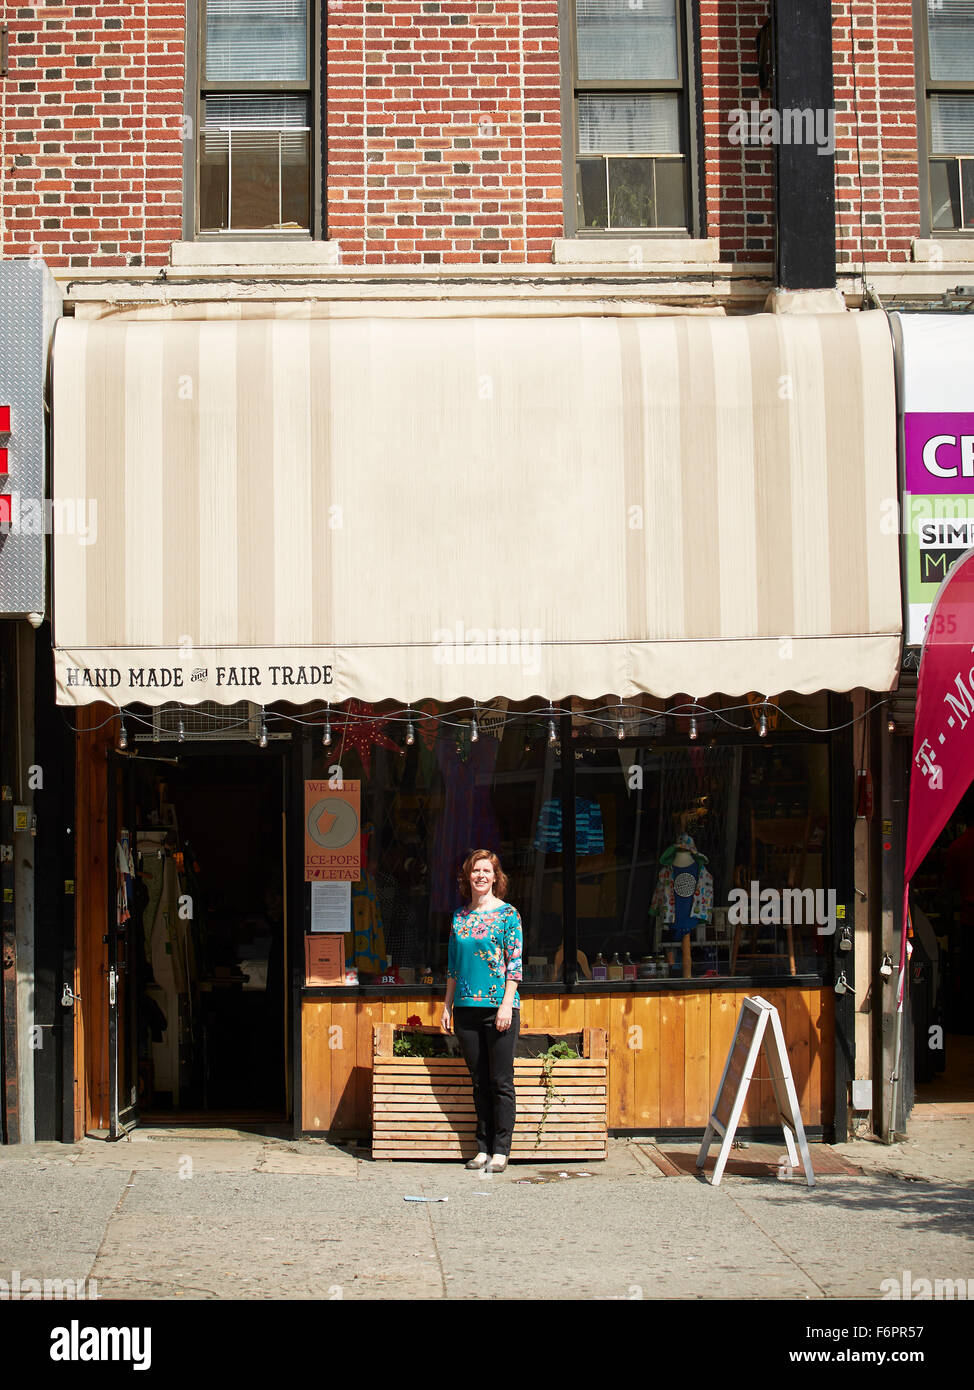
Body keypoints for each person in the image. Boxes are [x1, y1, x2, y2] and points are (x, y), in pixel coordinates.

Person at [441, 849, 523, 1173]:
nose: (480, 876)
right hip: (465, 1009)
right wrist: (447, 1005)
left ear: (495, 876)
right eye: (475, 871)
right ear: (468, 876)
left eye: (486, 871)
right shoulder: (459, 918)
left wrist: (506, 1004)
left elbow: (514, 966)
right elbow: (452, 967)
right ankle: (482, 1148)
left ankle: (501, 1150)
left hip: (498, 1009)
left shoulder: (508, 915)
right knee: (478, 1082)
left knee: (500, 1081)